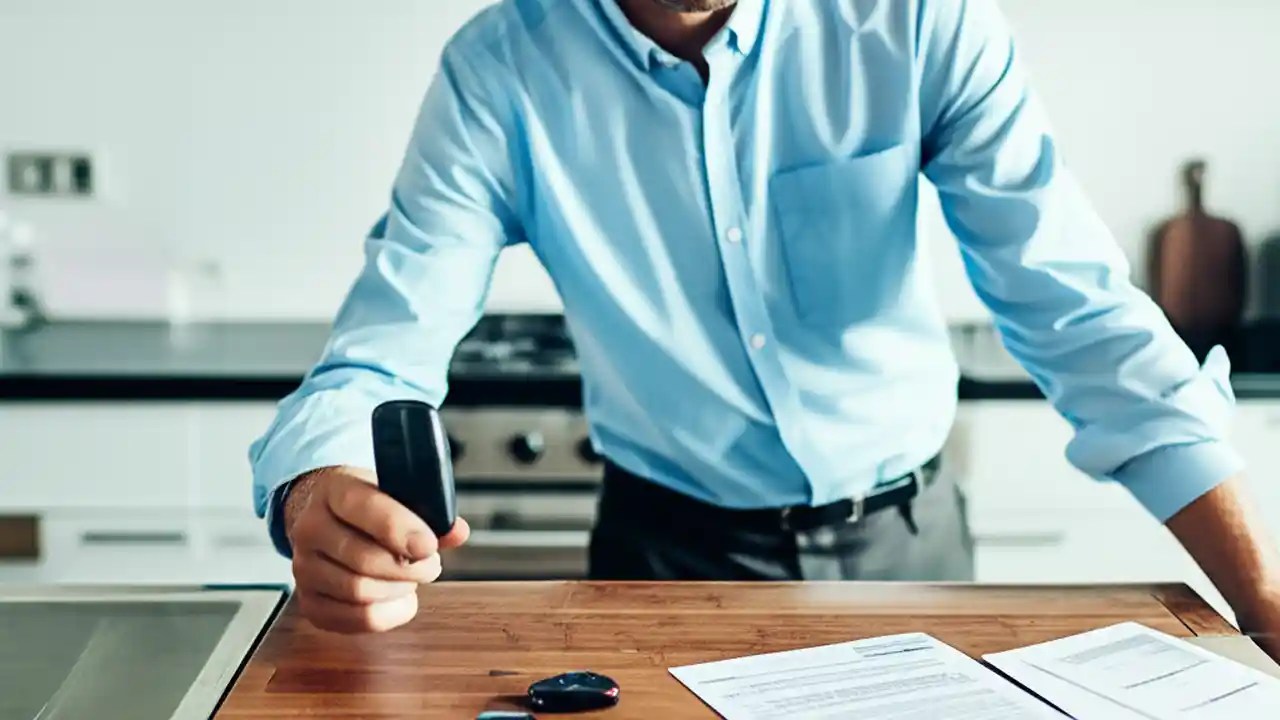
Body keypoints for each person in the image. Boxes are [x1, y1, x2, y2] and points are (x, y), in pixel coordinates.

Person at [248, 0, 1280, 658]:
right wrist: (314, 484)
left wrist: (1263, 600)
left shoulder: (919, 22)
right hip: (661, 561)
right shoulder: (499, 70)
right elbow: (386, 342)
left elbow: (1077, 314)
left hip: (909, 545)